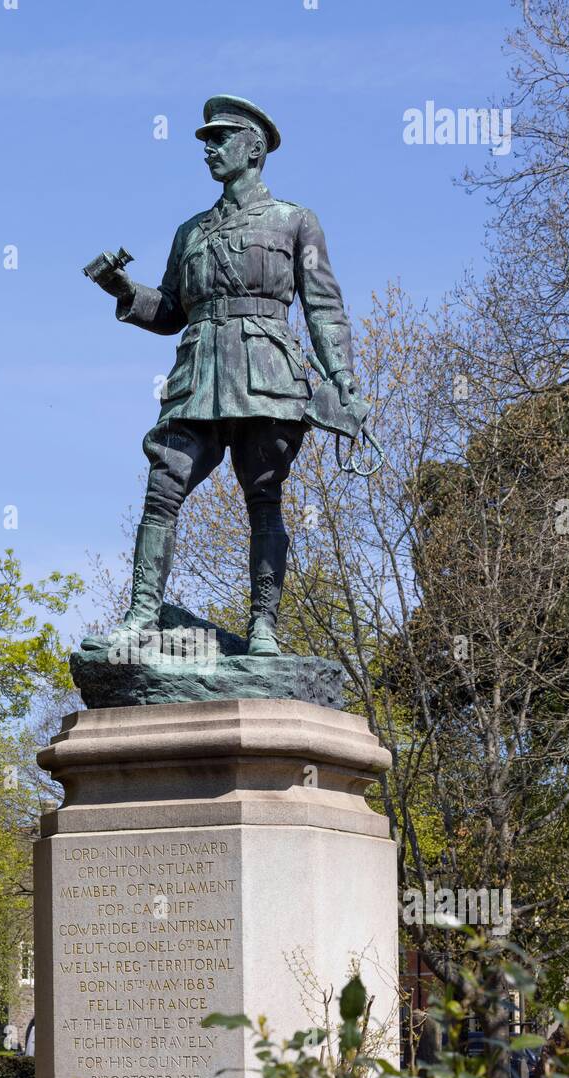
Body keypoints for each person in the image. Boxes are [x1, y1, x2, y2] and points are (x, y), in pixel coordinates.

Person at [82, 95, 357, 657]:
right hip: (198, 375)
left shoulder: (295, 220)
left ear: (253, 148)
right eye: (205, 139)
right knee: (164, 487)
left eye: (220, 137)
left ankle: (264, 627)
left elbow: (323, 306)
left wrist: (342, 377)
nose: (207, 148)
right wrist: (124, 291)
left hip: (268, 373)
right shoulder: (190, 232)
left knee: (264, 497)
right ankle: (140, 616)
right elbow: (172, 311)